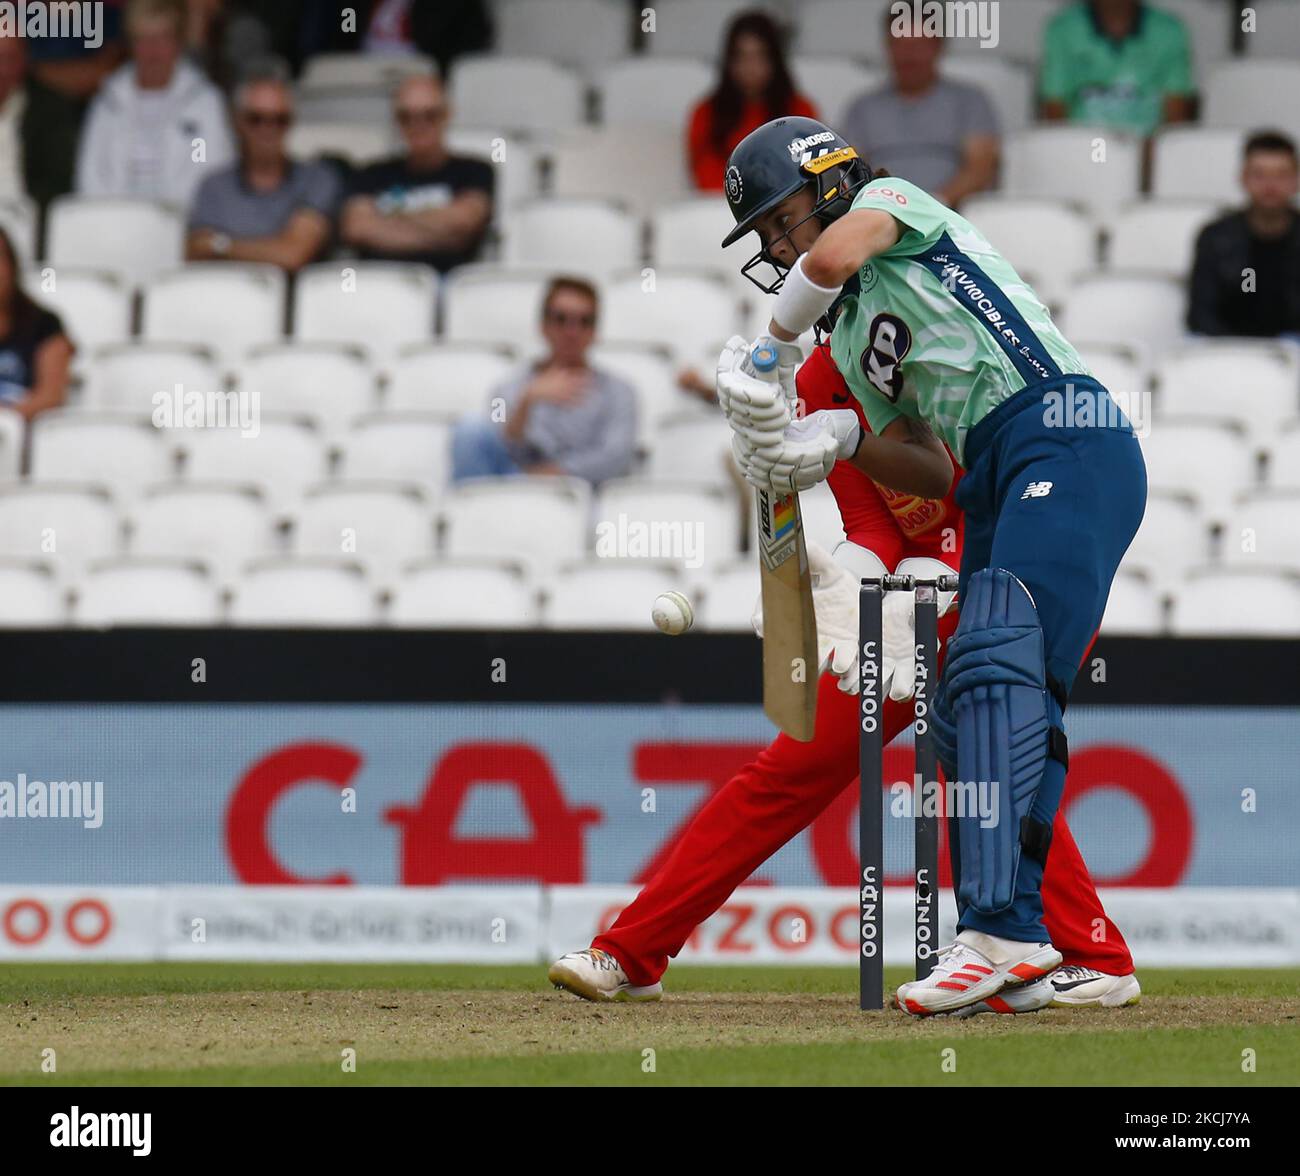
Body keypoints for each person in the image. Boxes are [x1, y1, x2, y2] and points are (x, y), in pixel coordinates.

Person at [548, 341, 1141, 1014]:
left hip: (1018, 569)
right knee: (795, 767)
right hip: (913, 601)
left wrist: (928, 590)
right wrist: (840, 581)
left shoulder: (949, 356)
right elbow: (875, 525)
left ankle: (1089, 956)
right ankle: (630, 952)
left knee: (986, 757)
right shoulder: (824, 378)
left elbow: (986, 502)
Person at [705, 116, 1142, 1018]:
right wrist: (843, 438)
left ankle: (1000, 935)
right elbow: (933, 471)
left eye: (783, 219)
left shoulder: (887, 203)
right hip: (993, 469)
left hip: (1061, 432)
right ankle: (1078, 958)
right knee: (976, 701)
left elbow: (827, 259)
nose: (780, 246)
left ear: (828, 182)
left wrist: (768, 353)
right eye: (768, 238)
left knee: (994, 674)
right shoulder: (857, 327)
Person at [450, 276, 636, 487]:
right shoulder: (505, 389)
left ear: (595, 331)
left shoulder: (620, 392)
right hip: (512, 484)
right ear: (543, 325)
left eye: (585, 321)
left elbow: (615, 456)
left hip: (581, 493)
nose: (572, 331)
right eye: (561, 319)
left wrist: (554, 472)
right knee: (470, 428)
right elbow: (498, 443)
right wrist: (527, 401)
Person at [74, 0, 235, 208]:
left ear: (178, 42)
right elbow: (92, 172)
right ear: (131, 44)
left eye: (162, 38)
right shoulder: (107, 103)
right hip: (114, 224)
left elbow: (204, 161)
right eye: (143, 39)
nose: (153, 50)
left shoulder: (202, 106)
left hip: (183, 224)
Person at [840, 0, 997, 207]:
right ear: (887, 47)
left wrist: (935, 203)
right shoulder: (861, 108)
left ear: (939, 46)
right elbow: (849, 173)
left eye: (919, 45)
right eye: (900, 45)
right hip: (879, 214)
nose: (909, 56)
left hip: (952, 217)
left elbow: (981, 168)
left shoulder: (970, 101)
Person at [186, 69, 339, 272]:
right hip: (224, 298)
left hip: (292, 301)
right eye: (256, 119)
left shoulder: (317, 179)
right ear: (237, 121)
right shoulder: (214, 185)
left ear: (291, 123)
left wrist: (221, 244)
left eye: (279, 120)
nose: (268, 129)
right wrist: (272, 247)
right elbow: (195, 250)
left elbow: (293, 254)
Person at [341, 75, 492, 276]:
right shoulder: (371, 173)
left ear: (447, 115)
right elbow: (356, 228)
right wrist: (441, 232)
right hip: (376, 284)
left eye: (429, 115)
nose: (418, 125)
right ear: (396, 120)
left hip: (446, 285)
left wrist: (387, 219)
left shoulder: (475, 171)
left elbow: (464, 225)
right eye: (406, 117)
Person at [687, 10, 818, 193]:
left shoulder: (800, 111)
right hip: (723, 210)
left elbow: (809, 173)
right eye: (741, 56)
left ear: (775, 60)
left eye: (759, 56)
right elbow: (706, 177)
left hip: (787, 212)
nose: (750, 67)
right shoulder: (705, 113)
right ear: (729, 61)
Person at [1188, 131, 1300, 339]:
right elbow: (1201, 314)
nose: (1270, 186)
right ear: (1243, 178)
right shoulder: (1215, 238)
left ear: (1296, 181)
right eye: (1259, 175)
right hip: (1226, 348)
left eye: (1281, 175)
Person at [1039, 0, 1193, 138]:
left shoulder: (1169, 31)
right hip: (1089, 148)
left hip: (1147, 148)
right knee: (1100, 160)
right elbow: (1055, 115)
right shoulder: (1063, 30)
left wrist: (1149, 159)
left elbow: (1176, 120)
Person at [0, 31, 84, 212]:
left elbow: (59, 183)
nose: (2, 69)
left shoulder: (50, 110)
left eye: (9, 58)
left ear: (25, 60)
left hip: (27, 220)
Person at [0, 225, 73, 421]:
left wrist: (7, 419)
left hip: (25, 433)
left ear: (12, 266)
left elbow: (51, 396)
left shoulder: (44, 324)